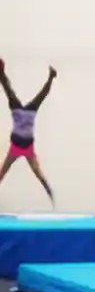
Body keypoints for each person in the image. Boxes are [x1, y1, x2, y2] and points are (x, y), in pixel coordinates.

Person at [0, 59, 57, 204]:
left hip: (25, 145)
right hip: (19, 143)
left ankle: (50, 192)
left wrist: (51, 78)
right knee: (3, 172)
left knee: (38, 173)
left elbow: (43, 94)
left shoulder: (29, 110)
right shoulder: (30, 110)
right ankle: (1, 73)